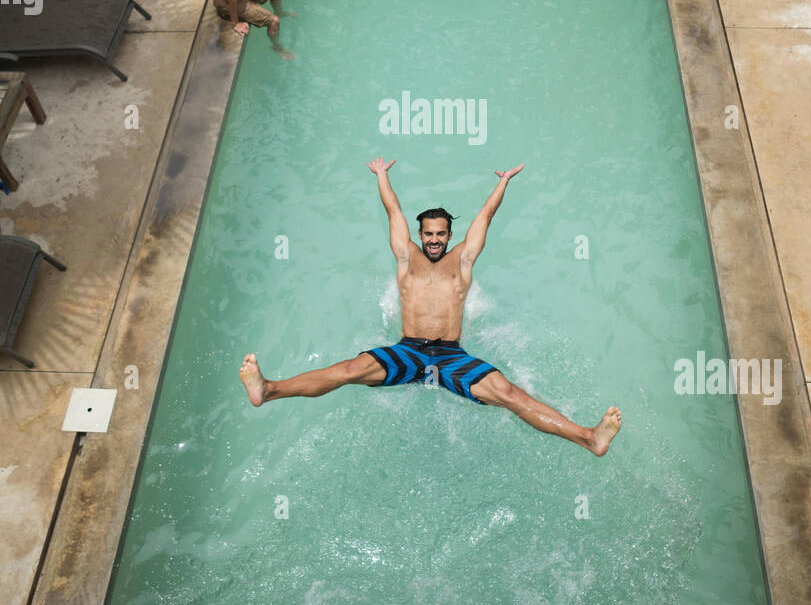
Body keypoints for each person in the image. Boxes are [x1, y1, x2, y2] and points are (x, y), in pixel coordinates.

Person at [240, 159, 621, 456]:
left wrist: (502, 182)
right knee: (348, 369)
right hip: (408, 349)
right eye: (428, 234)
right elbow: (393, 212)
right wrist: (381, 176)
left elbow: (485, 217)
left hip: (450, 356)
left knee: (510, 395)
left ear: (449, 235)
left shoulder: (463, 260)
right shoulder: (406, 257)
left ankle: (589, 438)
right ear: (419, 235)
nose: (435, 240)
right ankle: (269, 390)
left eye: (441, 234)